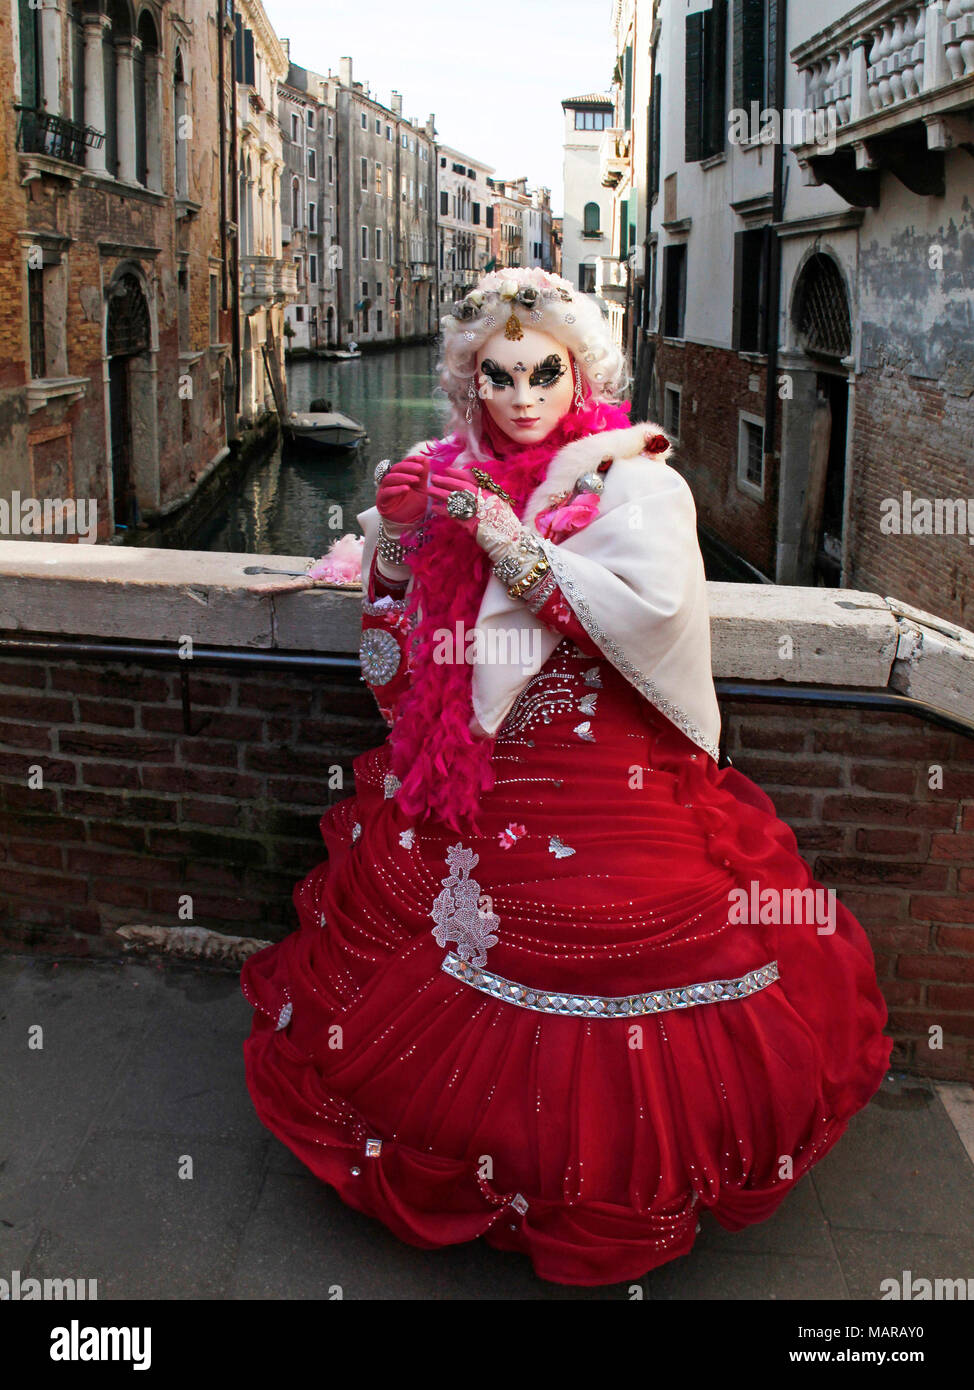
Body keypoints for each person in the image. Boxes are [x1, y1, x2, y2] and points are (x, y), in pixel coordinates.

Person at [241, 267, 892, 1287]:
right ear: (469, 384)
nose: (520, 395)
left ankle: (602, 1191)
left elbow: (647, 611)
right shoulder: (444, 471)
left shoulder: (636, 477)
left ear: (580, 370)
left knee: (642, 937)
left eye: (543, 370)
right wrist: (403, 546)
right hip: (479, 776)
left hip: (613, 772)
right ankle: (498, 1183)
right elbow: (394, 675)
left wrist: (498, 533)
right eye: (495, 375)